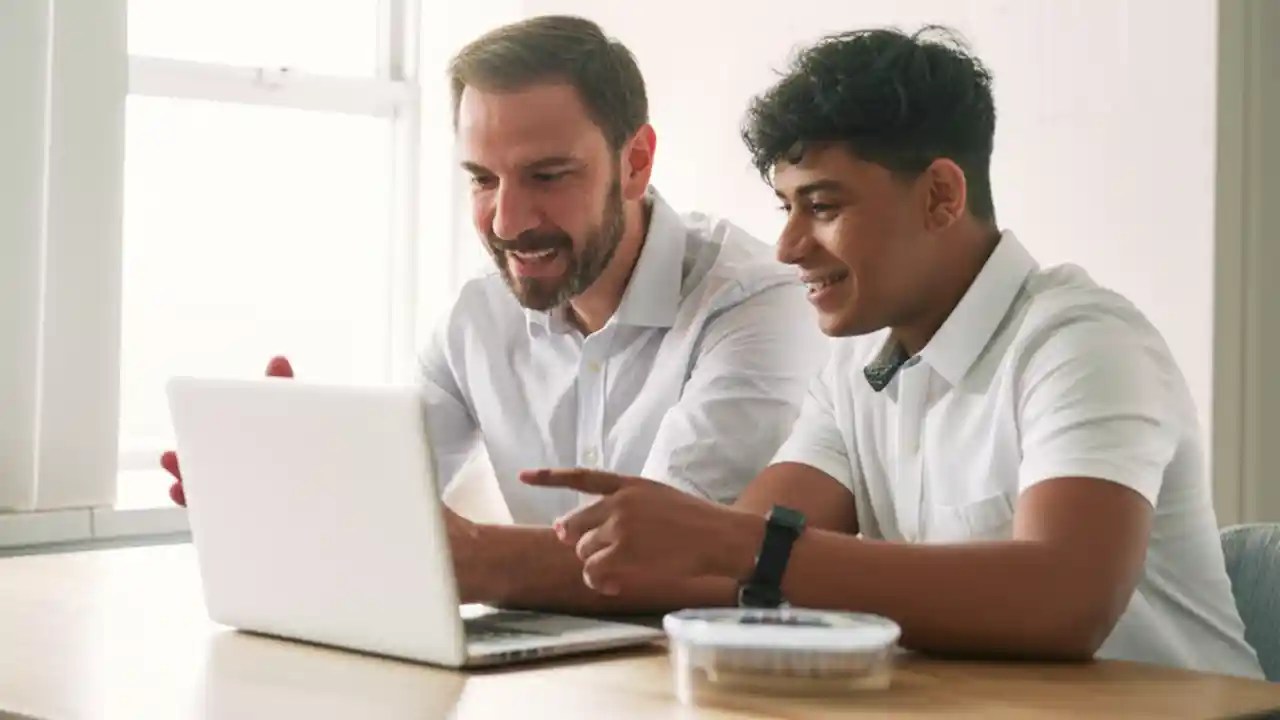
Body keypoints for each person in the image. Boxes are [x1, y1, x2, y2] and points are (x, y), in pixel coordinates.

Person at [523, 26, 1265, 678]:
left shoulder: (1084, 344)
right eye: (786, 208)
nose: (788, 246)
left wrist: (733, 545)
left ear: (941, 196)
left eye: (822, 206)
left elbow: (1065, 602)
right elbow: (726, 567)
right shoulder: (855, 372)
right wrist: (684, 543)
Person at [161, 15, 828, 611]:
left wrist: (474, 559)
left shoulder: (756, 303)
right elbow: (388, 501)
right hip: (561, 674)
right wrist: (291, 493)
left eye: (548, 175)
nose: (506, 222)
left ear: (635, 162)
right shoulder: (475, 319)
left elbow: (675, 555)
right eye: (482, 178)